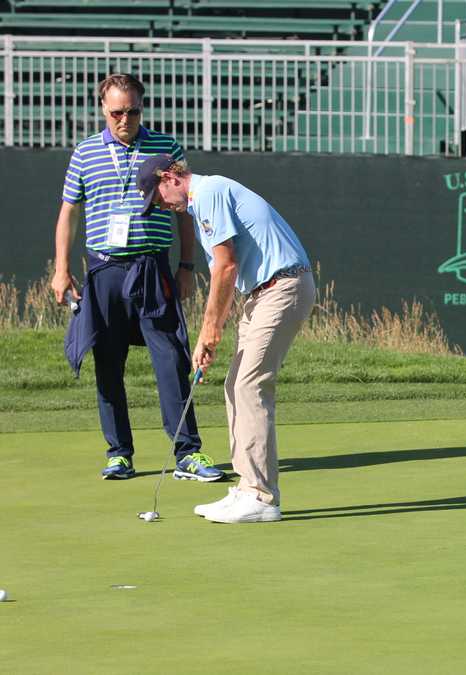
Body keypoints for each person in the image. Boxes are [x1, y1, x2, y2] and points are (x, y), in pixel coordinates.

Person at [54, 73, 224, 483]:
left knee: (170, 358)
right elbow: (69, 213)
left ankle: (188, 452)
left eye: (132, 111)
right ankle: (119, 453)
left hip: (152, 268)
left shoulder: (165, 147)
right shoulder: (85, 152)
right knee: (108, 363)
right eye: (117, 112)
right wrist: (61, 270)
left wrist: (186, 266)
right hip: (104, 269)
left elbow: (183, 209)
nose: (124, 119)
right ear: (103, 109)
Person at [137, 155, 315, 524]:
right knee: (235, 385)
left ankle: (262, 498)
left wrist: (209, 328)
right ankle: (247, 487)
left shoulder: (210, 191)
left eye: (158, 198)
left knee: (250, 385)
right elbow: (230, 269)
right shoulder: (204, 200)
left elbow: (226, 265)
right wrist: (214, 328)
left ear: (170, 177)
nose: (164, 206)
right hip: (262, 293)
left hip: (283, 286)